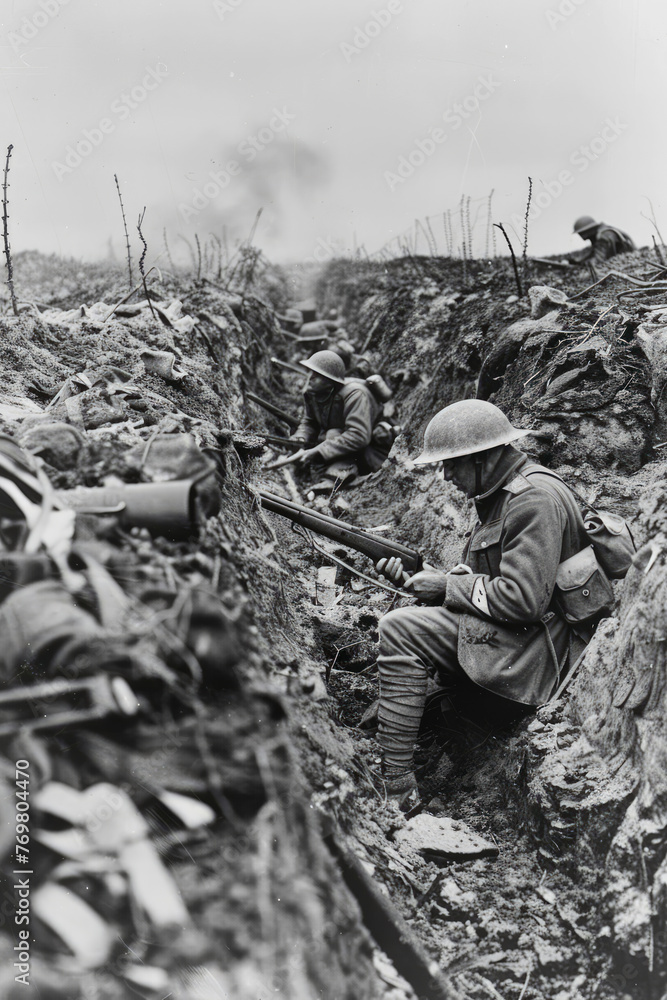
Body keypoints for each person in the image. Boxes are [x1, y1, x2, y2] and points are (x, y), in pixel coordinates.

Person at [374, 399, 601, 809]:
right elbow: (497, 581)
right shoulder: (506, 492)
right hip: (528, 637)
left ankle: (397, 789)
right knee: (420, 622)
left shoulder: (532, 500)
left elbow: (523, 600)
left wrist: (447, 588)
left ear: (481, 457)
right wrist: (434, 581)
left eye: (452, 464)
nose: (445, 476)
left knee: (398, 629)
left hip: (543, 653)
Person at [291, 350, 394, 482]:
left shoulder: (355, 394)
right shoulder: (314, 393)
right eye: (310, 372)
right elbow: (311, 422)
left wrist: (319, 451)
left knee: (333, 471)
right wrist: (301, 437)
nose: (310, 378)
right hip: (340, 442)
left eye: (317, 375)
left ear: (330, 381)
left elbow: (359, 436)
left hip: (371, 447)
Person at [570, 216, 635, 264]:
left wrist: (583, 264)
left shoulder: (604, 236)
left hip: (627, 262)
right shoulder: (602, 233)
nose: (580, 235)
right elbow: (593, 253)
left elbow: (598, 260)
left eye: (580, 233)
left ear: (587, 231)